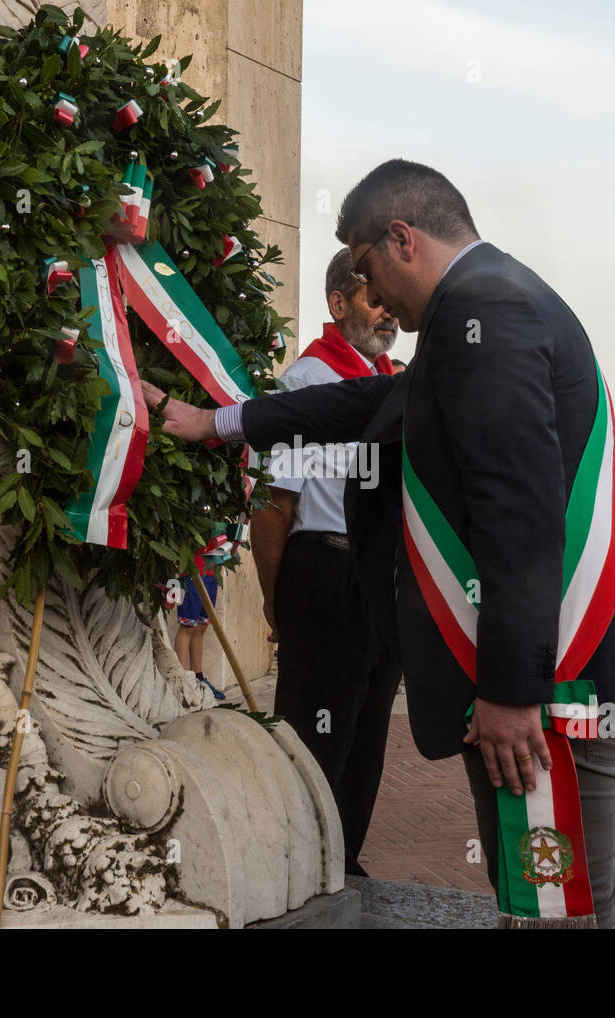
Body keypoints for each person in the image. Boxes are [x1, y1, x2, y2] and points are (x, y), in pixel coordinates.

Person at [143, 159, 615, 929]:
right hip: (605, 651)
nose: (375, 298)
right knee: (612, 893)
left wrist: (507, 690)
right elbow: (372, 398)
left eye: (367, 269)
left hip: (564, 672)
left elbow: (519, 514)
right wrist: (217, 421)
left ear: (401, 239)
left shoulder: (484, 315)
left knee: (554, 907)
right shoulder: (492, 299)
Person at [249, 248, 402, 876]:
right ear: (338, 304)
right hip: (326, 568)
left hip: (380, 575)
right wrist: (276, 595)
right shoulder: (306, 383)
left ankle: (343, 856)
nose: (388, 312)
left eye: (393, 299)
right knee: (319, 730)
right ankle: (299, 863)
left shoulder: (394, 382)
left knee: (367, 731)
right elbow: (272, 503)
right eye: (374, 298)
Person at [172, 568, 224, 701]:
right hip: (192, 572)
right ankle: (181, 682)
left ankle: (198, 678)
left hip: (212, 572)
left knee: (201, 627)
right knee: (187, 626)